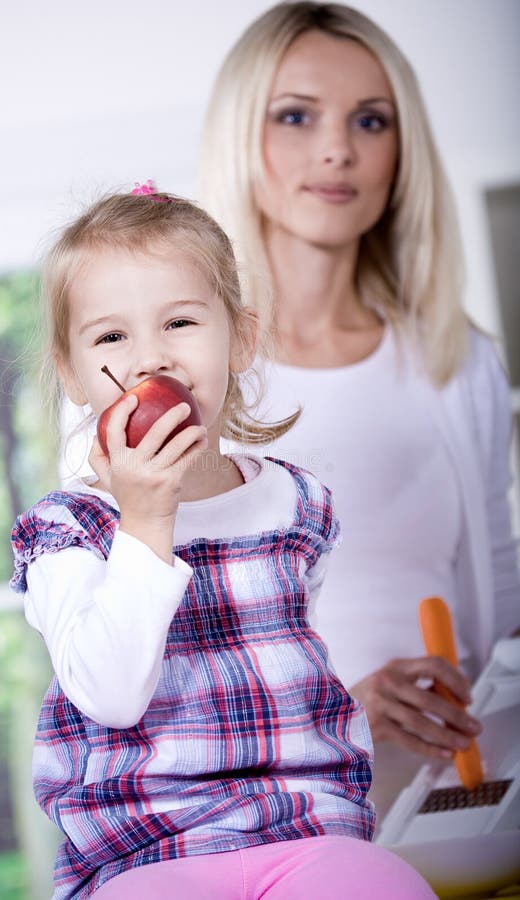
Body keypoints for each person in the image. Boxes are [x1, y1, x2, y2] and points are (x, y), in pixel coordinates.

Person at [10, 188, 437, 899]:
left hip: (306, 833)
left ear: (239, 338)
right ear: (70, 371)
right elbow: (111, 696)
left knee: (389, 884)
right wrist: (146, 518)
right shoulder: (66, 532)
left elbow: (283, 669)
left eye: (179, 321)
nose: (150, 358)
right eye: (111, 337)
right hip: (145, 854)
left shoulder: (296, 505)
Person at [198, 1, 520, 824]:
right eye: (295, 116)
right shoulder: (178, 374)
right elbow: (135, 669)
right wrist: (341, 715)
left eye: (370, 120)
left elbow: (499, 592)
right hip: (267, 841)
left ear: (400, 151)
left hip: (461, 819)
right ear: (242, 136)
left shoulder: (458, 362)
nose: (337, 148)